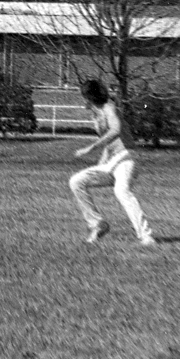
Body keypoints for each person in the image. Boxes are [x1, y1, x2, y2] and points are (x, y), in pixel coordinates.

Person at [68, 77, 157, 246]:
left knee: (121, 191)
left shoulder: (109, 107)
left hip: (126, 158)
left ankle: (146, 236)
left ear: (88, 97)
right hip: (111, 162)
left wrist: (90, 148)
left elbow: (116, 130)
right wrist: (101, 163)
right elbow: (108, 142)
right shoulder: (95, 114)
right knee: (76, 181)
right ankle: (98, 224)